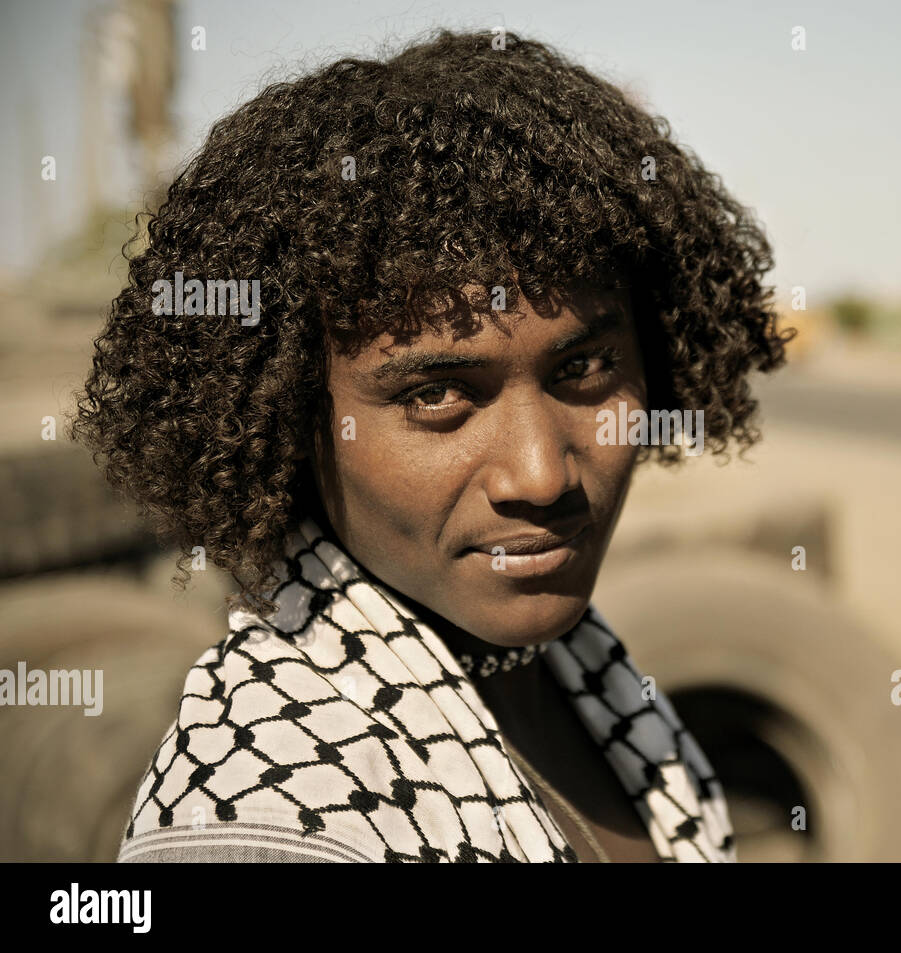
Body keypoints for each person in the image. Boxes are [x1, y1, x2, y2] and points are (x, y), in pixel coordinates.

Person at [70, 27, 790, 862]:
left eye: (585, 366)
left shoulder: (587, 685)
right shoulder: (267, 809)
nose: (541, 473)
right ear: (289, 418)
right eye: (438, 394)